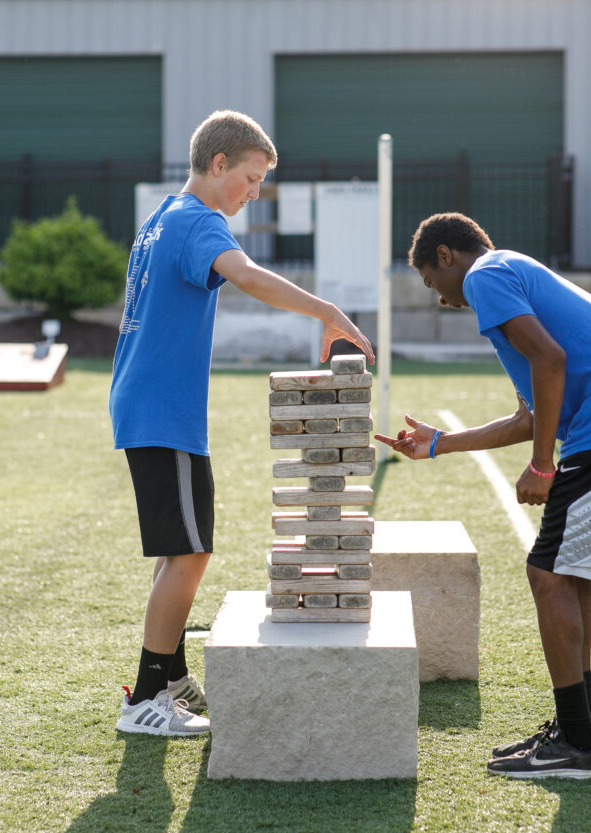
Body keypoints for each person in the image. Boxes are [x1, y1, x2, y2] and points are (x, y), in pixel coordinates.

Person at [377, 212, 591, 779]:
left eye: (429, 283)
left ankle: (577, 745)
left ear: (446, 256)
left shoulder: (485, 275)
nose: (440, 299)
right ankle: (578, 732)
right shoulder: (509, 273)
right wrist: (440, 443)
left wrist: (543, 464)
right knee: (566, 572)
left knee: (546, 574)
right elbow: (533, 412)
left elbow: (551, 360)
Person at [109, 109, 373, 736]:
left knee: (180, 547)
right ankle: (146, 698)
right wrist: (327, 311)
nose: (254, 194)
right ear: (219, 163)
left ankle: (169, 678)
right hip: (160, 411)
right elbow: (248, 276)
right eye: (251, 179)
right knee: (192, 553)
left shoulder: (161, 219)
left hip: (151, 406)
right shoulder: (198, 223)